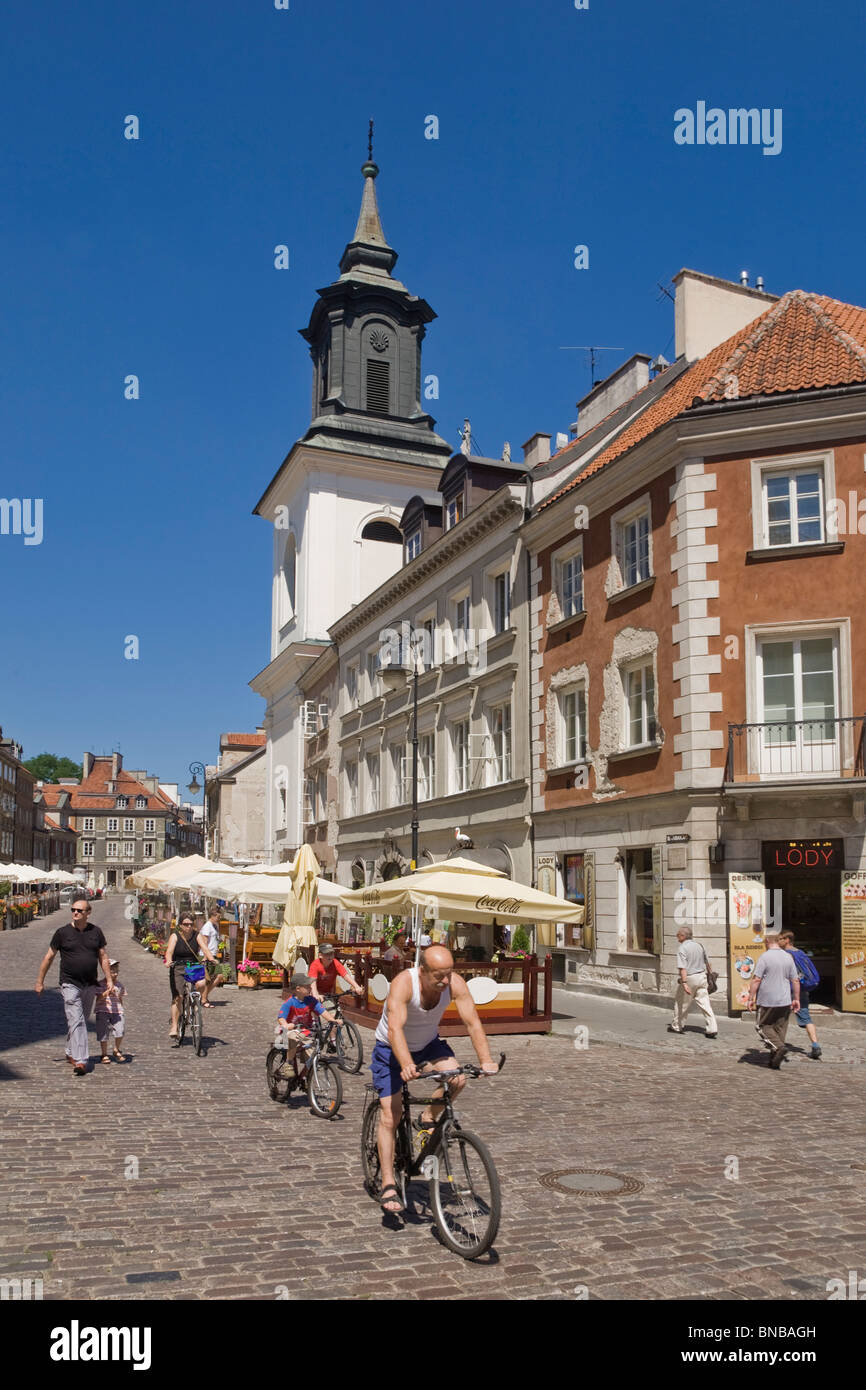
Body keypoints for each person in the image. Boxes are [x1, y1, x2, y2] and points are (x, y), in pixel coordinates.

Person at [370, 945, 498, 1215]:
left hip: (428, 1044)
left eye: (448, 974)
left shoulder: (454, 984)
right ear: (422, 970)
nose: (444, 981)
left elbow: (472, 1021)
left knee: (458, 1078)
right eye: (438, 975)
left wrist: (486, 1060)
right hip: (391, 1048)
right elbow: (395, 1029)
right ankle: (388, 1181)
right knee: (390, 1115)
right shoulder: (404, 983)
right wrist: (405, 1064)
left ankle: (427, 1117)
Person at [34, 897, 115, 1076]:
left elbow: (103, 956)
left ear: (88, 913)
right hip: (69, 983)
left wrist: (108, 979)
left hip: (89, 983)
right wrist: (40, 981)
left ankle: (71, 1051)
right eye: (73, 910)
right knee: (76, 1021)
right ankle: (81, 1060)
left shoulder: (96, 932)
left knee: (79, 1020)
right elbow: (49, 957)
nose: (75, 913)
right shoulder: (62, 933)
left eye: (79, 910)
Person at [748, 932, 800, 1068]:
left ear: (767, 942)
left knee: (761, 1026)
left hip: (767, 999)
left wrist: (750, 997)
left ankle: (778, 1047)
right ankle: (774, 1059)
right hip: (784, 999)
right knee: (779, 1028)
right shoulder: (788, 957)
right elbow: (795, 980)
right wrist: (796, 998)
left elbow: (756, 979)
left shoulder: (765, 957)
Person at [164, 912, 218, 1040]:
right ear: (180, 925)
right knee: (179, 997)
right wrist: (168, 961)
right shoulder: (175, 936)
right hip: (178, 966)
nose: (188, 927)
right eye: (185, 924)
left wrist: (211, 959)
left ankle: (195, 1002)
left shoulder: (196, 935)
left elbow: (205, 948)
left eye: (190, 924)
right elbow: (169, 951)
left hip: (192, 965)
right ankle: (174, 1026)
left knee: (202, 983)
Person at [668, 926, 718, 1038]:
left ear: (682, 936)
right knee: (705, 1003)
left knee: (682, 1004)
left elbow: (682, 968)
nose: (677, 937)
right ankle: (712, 1028)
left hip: (690, 978)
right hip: (702, 977)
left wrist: (684, 983)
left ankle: (677, 1026)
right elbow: (707, 962)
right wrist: (710, 976)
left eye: (678, 935)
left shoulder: (682, 948)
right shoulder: (700, 945)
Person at [779, 929, 822, 1060]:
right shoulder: (800, 952)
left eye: (780, 939)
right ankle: (815, 1046)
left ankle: (778, 1046)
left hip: (789, 990)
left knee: (780, 1018)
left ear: (787, 940)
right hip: (802, 990)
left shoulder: (786, 955)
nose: (779, 941)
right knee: (806, 1017)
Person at [276, 974, 338, 1063]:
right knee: (293, 1038)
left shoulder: (311, 1000)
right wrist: (285, 1025)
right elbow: (281, 1017)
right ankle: (288, 1063)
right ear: (298, 989)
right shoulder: (289, 1003)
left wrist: (334, 1021)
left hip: (305, 1032)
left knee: (313, 1059)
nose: (311, 988)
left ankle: (306, 1075)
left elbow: (323, 1012)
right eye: (307, 986)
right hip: (289, 1032)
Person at [95, 959, 127, 1063]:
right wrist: (107, 992)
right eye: (112, 971)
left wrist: (121, 1008)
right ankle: (104, 1054)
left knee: (120, 1030)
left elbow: (121, 998)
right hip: (103, 1010)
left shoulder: (119, 985)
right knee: (103, 1032)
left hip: (117, 1011)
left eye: (117, 971)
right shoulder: (100, 984)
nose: (115, 974)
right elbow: (98, 998)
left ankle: (116, 1049)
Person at [199, 908, 224, 1008]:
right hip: (207, 955)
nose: (219, 919)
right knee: (207, 979)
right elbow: (204, 942)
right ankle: (204, 999)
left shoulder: (215, 925)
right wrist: (205, 956)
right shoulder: (207, 926)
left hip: (213, 955)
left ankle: (203, 996)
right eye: (218, 917)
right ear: (212, 916)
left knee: (219, 976)